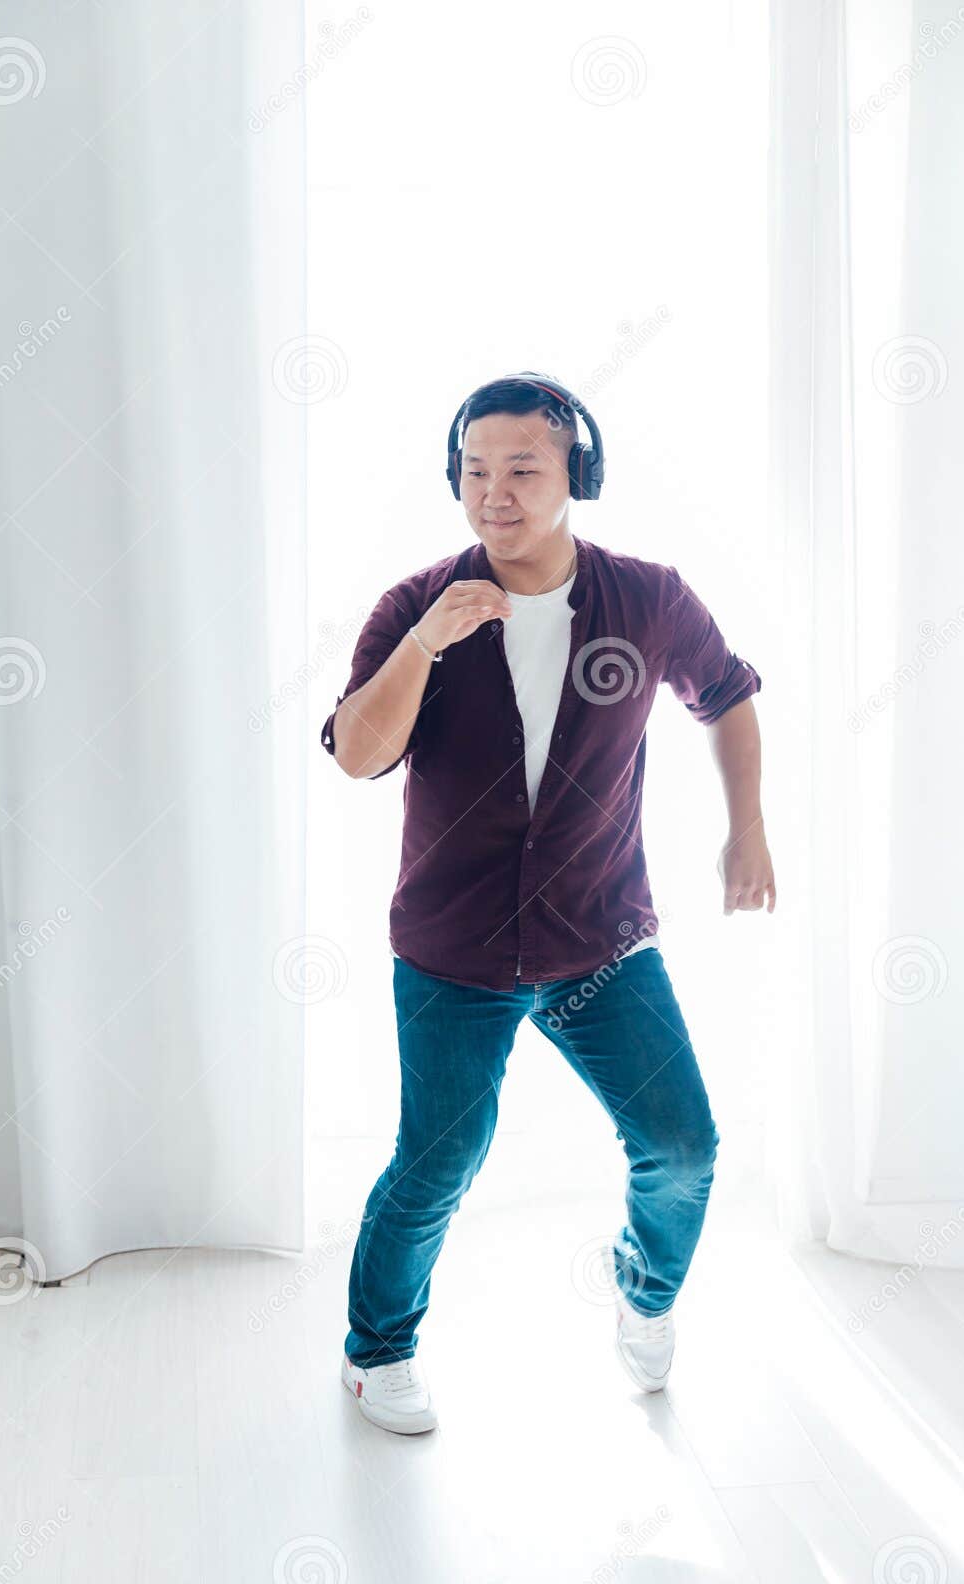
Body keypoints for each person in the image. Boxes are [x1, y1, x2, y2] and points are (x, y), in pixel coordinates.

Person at [320, 372, 775, 1435]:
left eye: (522, 469)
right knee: (436, 1163)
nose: (495, 492)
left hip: (602, 942)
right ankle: (374, 1351)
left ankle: (644, 1293)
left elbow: (730, 693)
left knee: (683, 1145)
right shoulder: (413, 604)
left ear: (579, 474)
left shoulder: (648, 599)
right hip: (453, 953)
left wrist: (745, 828)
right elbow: (355, 756)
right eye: (475, 471)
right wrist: (425, 645)